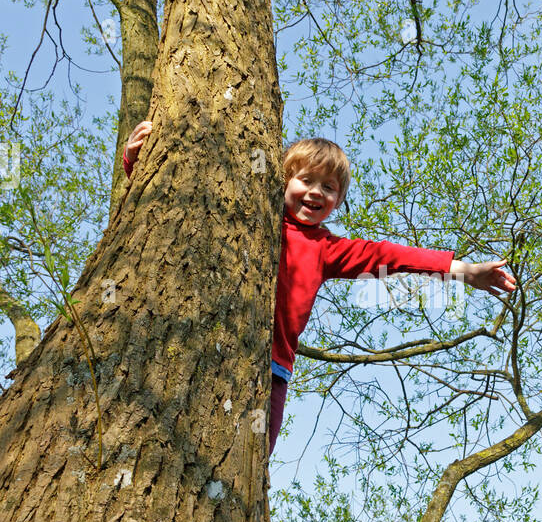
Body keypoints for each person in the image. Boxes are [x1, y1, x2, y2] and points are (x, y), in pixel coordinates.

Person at [120, 122, 516, 455]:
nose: (315, 192)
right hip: (208, 342)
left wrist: (466, 272)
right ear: (284, 181)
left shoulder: (326, 248)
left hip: (273, 370)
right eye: (305, 180)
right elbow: (172, 212)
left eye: (328, 187)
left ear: (338, 200)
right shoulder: (248, 215)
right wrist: (138, 161)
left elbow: (390, 256)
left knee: (252, 461)